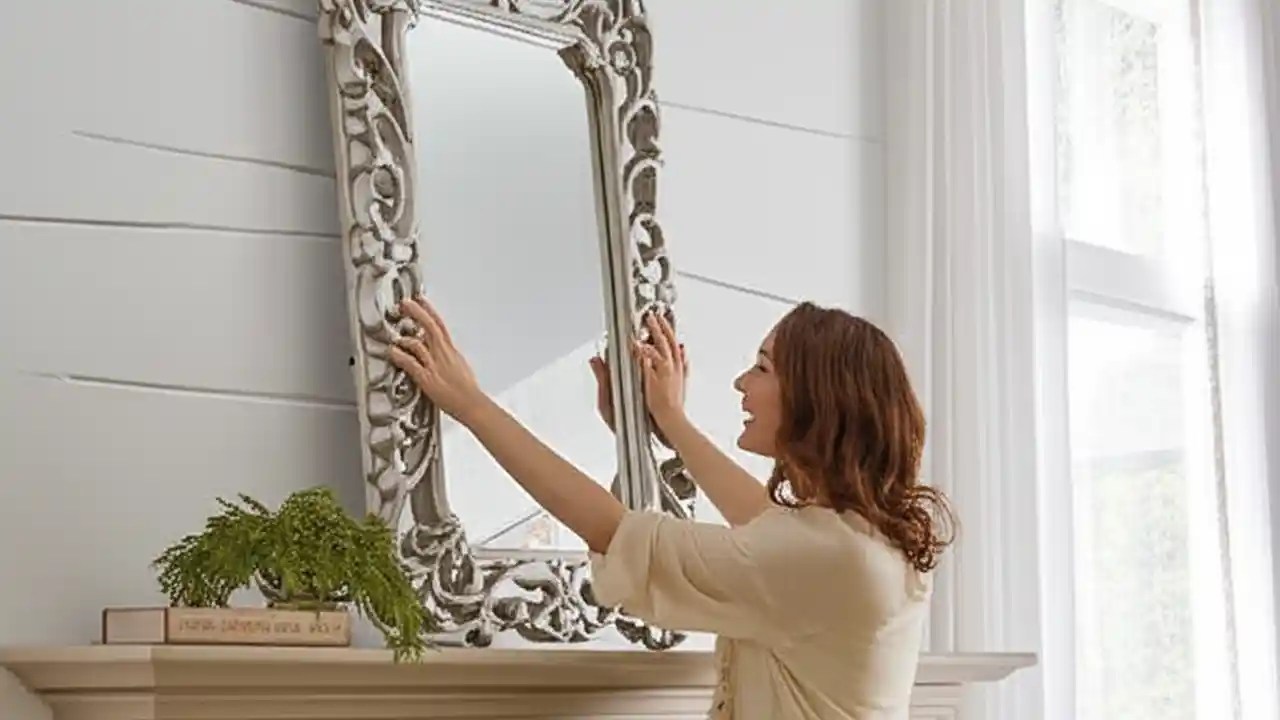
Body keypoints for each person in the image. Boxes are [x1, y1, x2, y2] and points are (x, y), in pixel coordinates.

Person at [389, 295, 956, 720]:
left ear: (817, 399)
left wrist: (473, 406)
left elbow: (615, 532)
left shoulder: (825, 555)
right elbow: (765, 522)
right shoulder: (865, 539)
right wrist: (670, 423)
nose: (740, 382)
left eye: (762, 368)